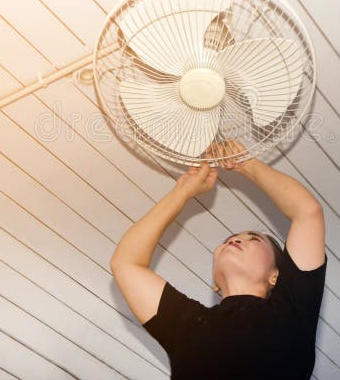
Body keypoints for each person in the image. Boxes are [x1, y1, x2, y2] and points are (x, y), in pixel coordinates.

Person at [110, 141, 327, 379]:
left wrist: (246, 163)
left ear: (276, 275)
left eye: (254, 238)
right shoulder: (187, 323)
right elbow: (126, 264)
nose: (235, 240)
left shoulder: (292, 310)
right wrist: (182, 192)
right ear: (214, 284)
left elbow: (307, 212)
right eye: (229, 240)